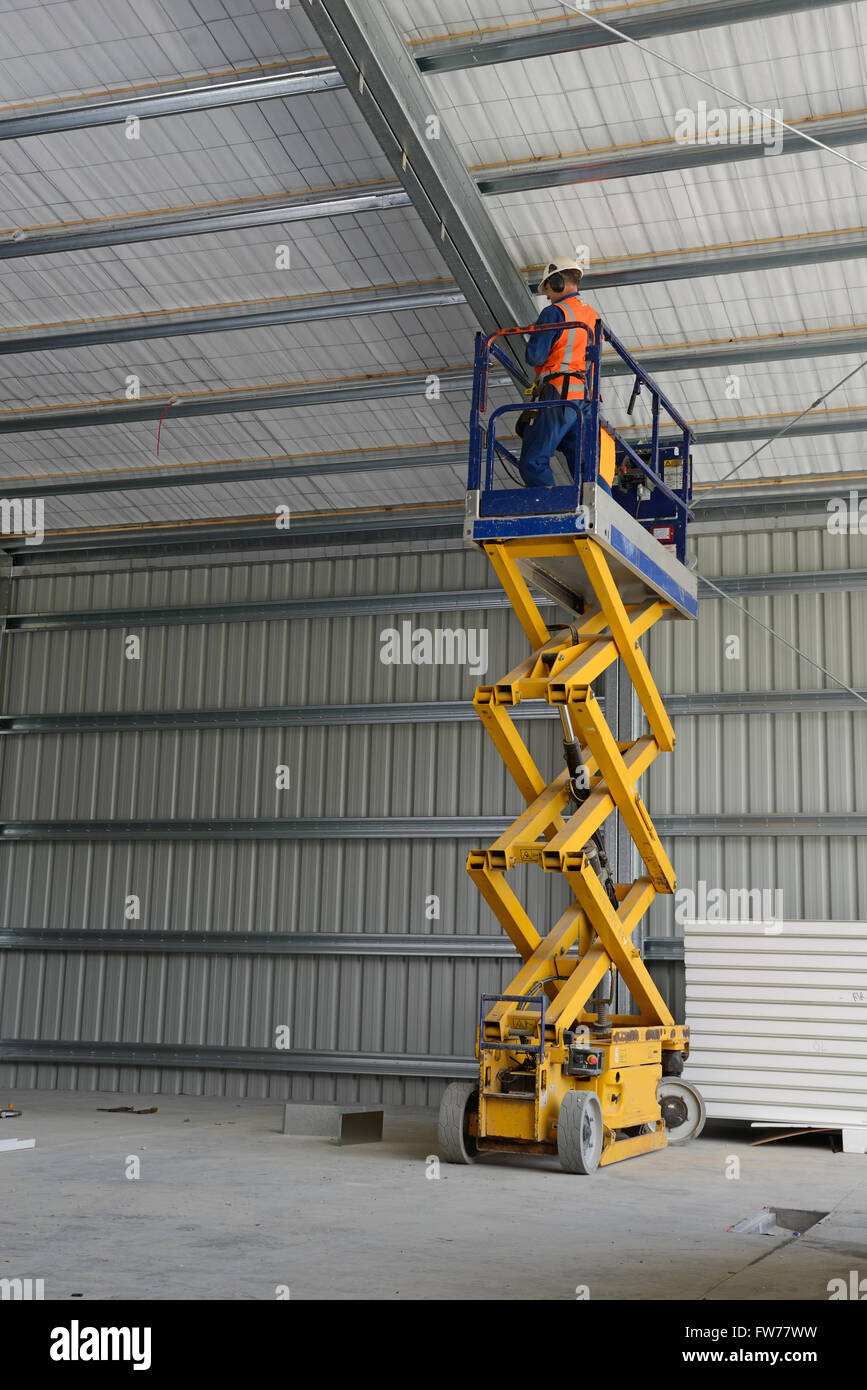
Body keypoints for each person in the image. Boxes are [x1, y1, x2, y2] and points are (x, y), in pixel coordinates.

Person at [517, 255, 599, 488]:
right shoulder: (593, 316)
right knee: (584, 466)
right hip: (585, 396)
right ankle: (600, 507)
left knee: (533, 459)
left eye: (547, 290)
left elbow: (535, 356)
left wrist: (538, 333)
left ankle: (547, 505)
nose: (547, 295)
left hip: (560, 391)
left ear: (557, 282)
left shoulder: (554, 312)